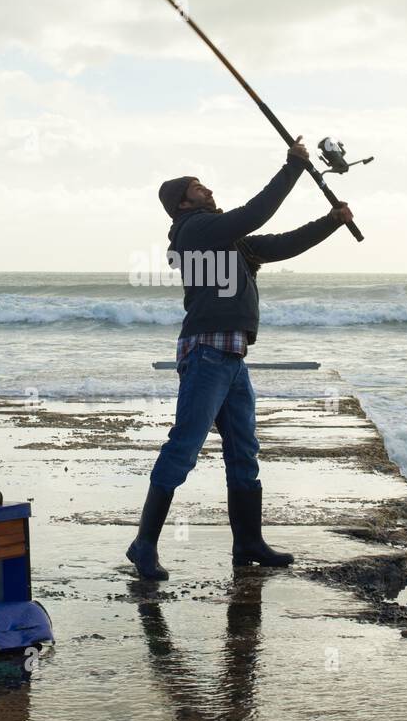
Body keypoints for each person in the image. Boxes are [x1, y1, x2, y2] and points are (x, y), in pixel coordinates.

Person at [127, 138, 353, 579]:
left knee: (244, 452)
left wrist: (331, 222)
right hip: (206, 353)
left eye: (205, 186)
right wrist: (292, 167)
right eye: (197, 188)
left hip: (232, 357)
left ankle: (248, 543)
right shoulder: (194, 230)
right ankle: (143, 544)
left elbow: (281, 243)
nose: (207, 190)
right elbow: (256, 212)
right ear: (181, 203)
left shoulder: (229, 241)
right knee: (184, 448)